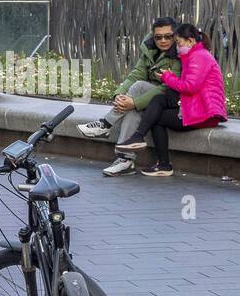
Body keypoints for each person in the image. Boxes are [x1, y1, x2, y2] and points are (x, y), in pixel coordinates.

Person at [115, 24, 228, 177]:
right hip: (195, 108)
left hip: (205, 114)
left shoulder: (199, 56)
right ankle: (141, 141)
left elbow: (189, 86)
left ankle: (159, 159)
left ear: (191, 41)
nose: (177, 46)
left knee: (156, 117)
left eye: (179, 43)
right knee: (158, 100)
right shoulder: (193, 55)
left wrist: (168, 77)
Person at [78, 16, 180, 177]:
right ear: (153, 37)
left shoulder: (181, 54)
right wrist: (120, 94)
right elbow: (136, 73)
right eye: (158, 37)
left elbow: (167, 88)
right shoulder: (150, 49)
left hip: (174, 100)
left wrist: (135, 102)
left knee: (138, 89)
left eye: (168, 36)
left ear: (175, 36)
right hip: (153, 99)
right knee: (133, 109)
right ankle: (125, 160)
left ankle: (105, 124)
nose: (163, 40)